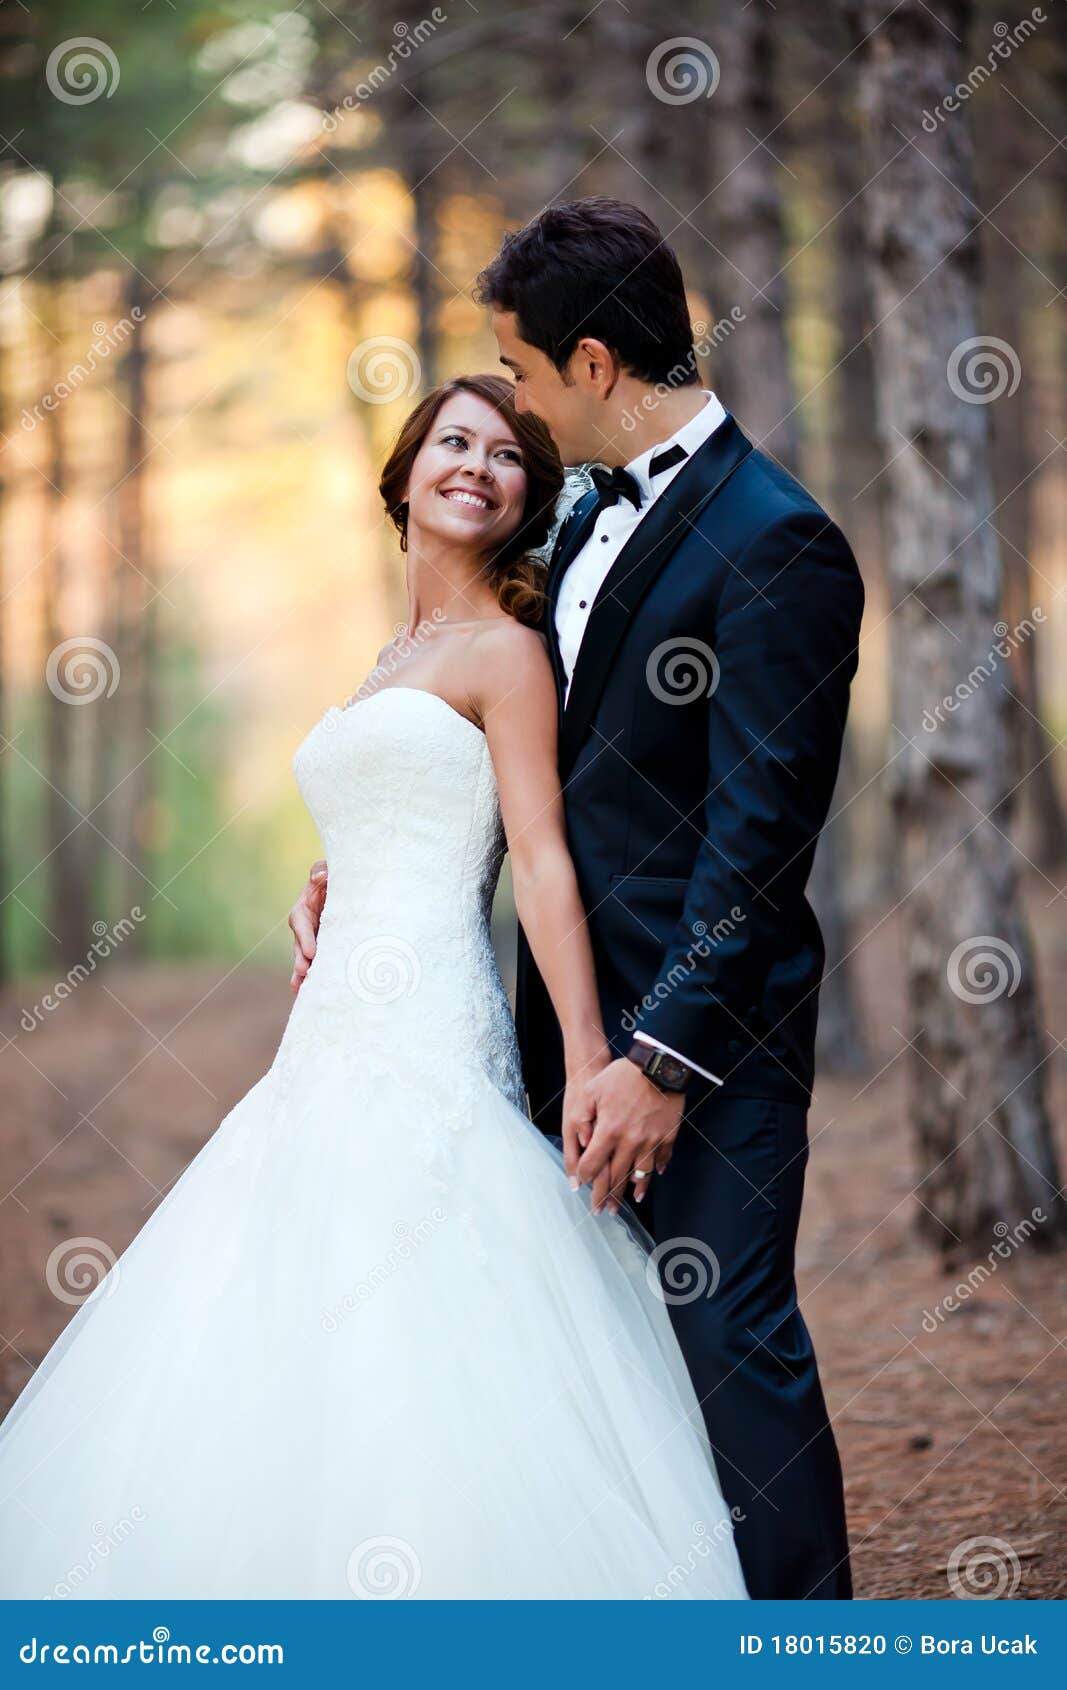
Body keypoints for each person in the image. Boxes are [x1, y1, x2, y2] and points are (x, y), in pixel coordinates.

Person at [0, 373, 747, 1601]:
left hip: (429, 1029)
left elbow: (541, 860)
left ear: (522, 505)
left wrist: (587, 1055)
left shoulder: (507, 654)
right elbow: (396, 803)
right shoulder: (391, 657)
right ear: (401, 477)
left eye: (506, 457)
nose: (477, 465)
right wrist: (325, 877)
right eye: (453, 441)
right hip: (325, 1035)